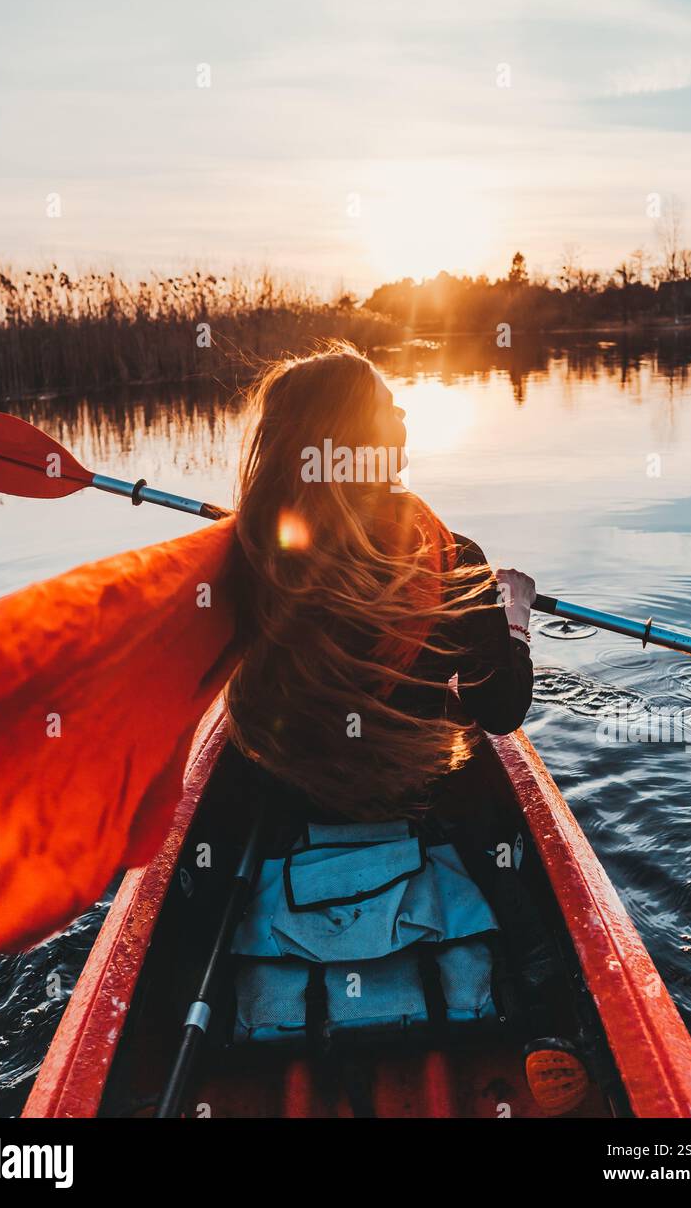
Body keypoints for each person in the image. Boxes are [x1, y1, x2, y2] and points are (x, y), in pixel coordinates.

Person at [225, 340, 587, 1111]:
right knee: (512, 886)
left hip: (291, 801)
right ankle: (546, 1012)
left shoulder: (257, 549)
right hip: (425, 802)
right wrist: (514, 612)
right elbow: (501, 711)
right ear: (357, 434)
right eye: (388, 404)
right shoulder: (448, 556)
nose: (403, 412)